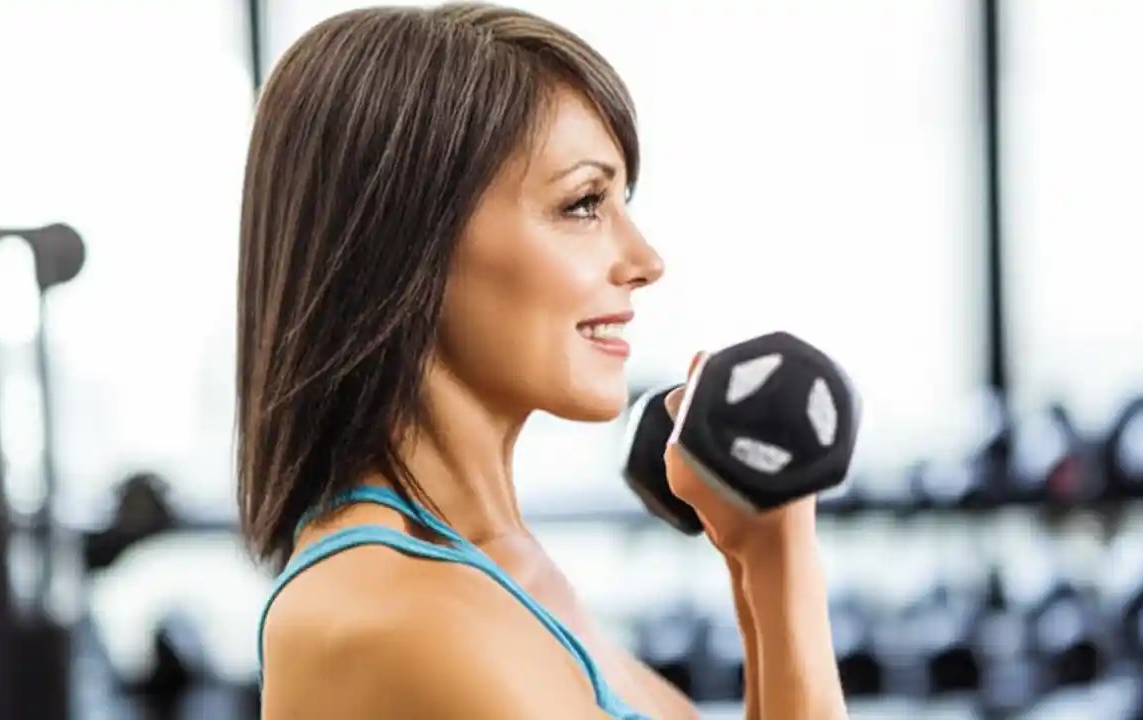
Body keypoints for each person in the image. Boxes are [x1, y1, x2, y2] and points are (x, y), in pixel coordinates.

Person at [236, 3, 847, 718]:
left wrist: (763, 561)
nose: (646, 261)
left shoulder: (492, 562)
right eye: (584, 203)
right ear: (408, 242)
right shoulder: (398, 616)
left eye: (622, 200)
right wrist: (784, 567)